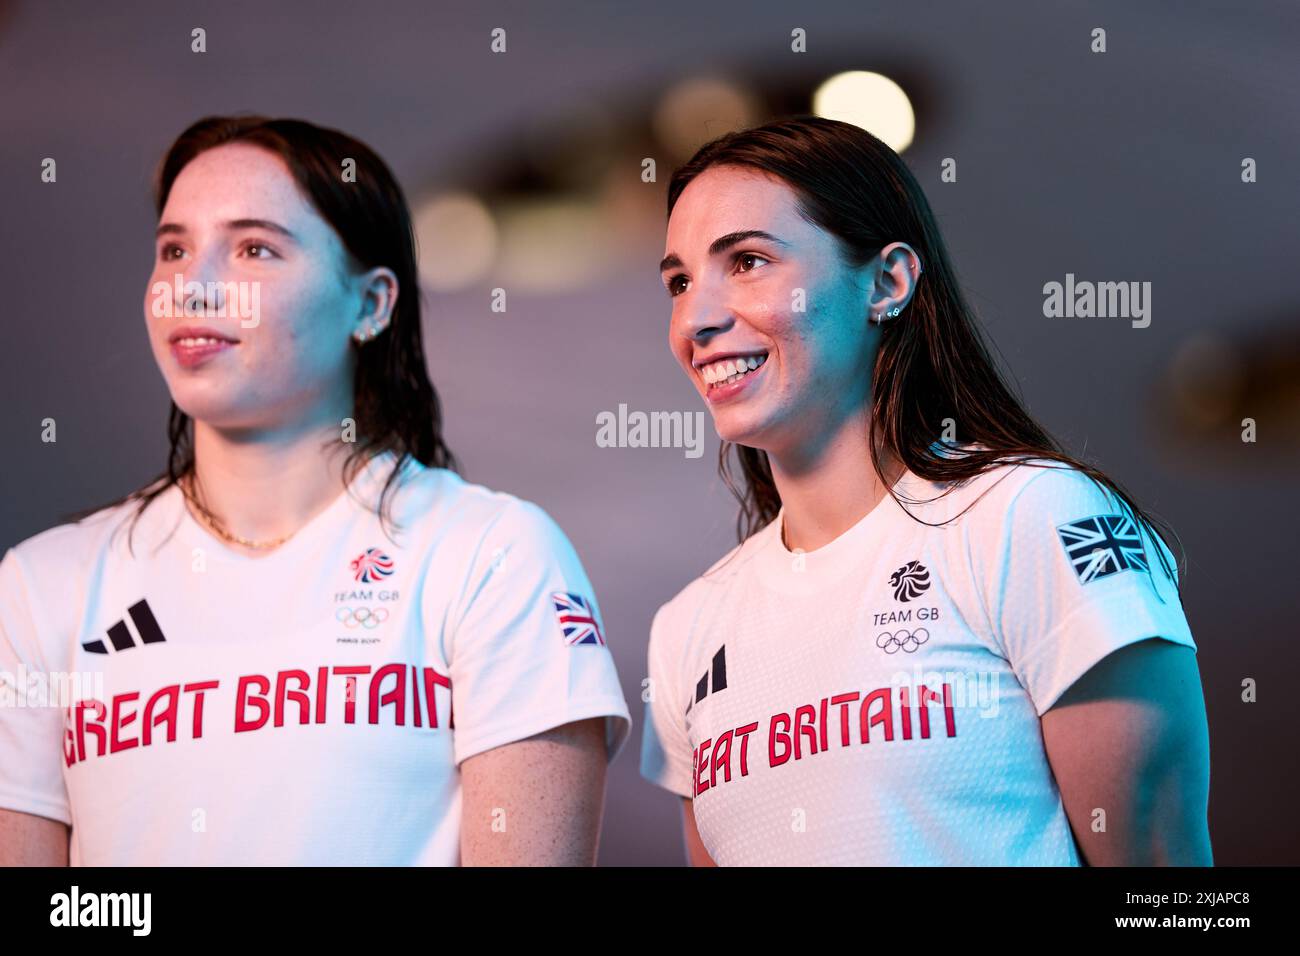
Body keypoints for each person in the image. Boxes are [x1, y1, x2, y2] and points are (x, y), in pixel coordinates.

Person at [0, 115, 629, 866]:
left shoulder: (491, 556)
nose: (191, 287)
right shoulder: (43, 587)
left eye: (254, 248)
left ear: (371, 305)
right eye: (174, 249)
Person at [639, 116, 1211, 866]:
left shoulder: (1034, 519)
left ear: (888, 281)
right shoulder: (687, 630)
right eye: (680, 281)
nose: (697, 319)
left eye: (746, 261)